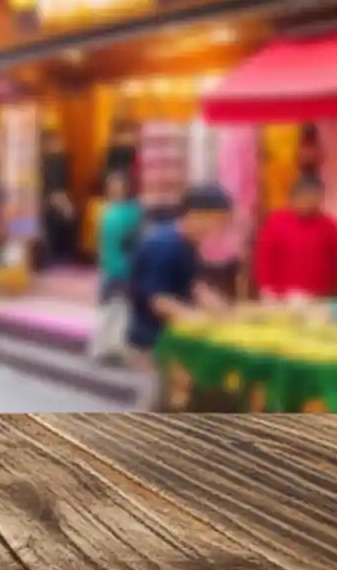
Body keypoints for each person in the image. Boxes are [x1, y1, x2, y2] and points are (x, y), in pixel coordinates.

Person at [127, 184, 233, 410]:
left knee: (170, 405)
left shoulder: (188, 244)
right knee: (155, 403)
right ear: (196, 214)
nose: (219, 229)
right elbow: (158, 300)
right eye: (218, 220)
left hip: (171, 337)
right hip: (152, 339)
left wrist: (225, 311)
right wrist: (196, 318)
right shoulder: (163, 245)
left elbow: (193, 285)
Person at [254, 176, 337, 301]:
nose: (309, 203)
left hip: (321, 297)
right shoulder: (275, 223)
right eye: (305, 199)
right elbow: (264, 258)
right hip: (283, 298)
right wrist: (267, 289)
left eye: (315, 199)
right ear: (293, 198)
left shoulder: (331, 226)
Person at [93, 171, 141, 362]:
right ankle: (102, 349)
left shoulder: (132, 211)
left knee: (120, 310)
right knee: (112, 309)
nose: (114, 190)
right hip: (111, 268)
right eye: (111, 186)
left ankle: (110, 349)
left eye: (118, 186)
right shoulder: (107, 211)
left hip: (125, 268)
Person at [41, 129, 78, 266]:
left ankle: (58, 255)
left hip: (53, 200)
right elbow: (57, 191)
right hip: (54, 201)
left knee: (68, 216)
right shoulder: (55, 160)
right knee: (69, 217)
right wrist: (66, 206)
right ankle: (63, 256)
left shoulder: (55, 160)